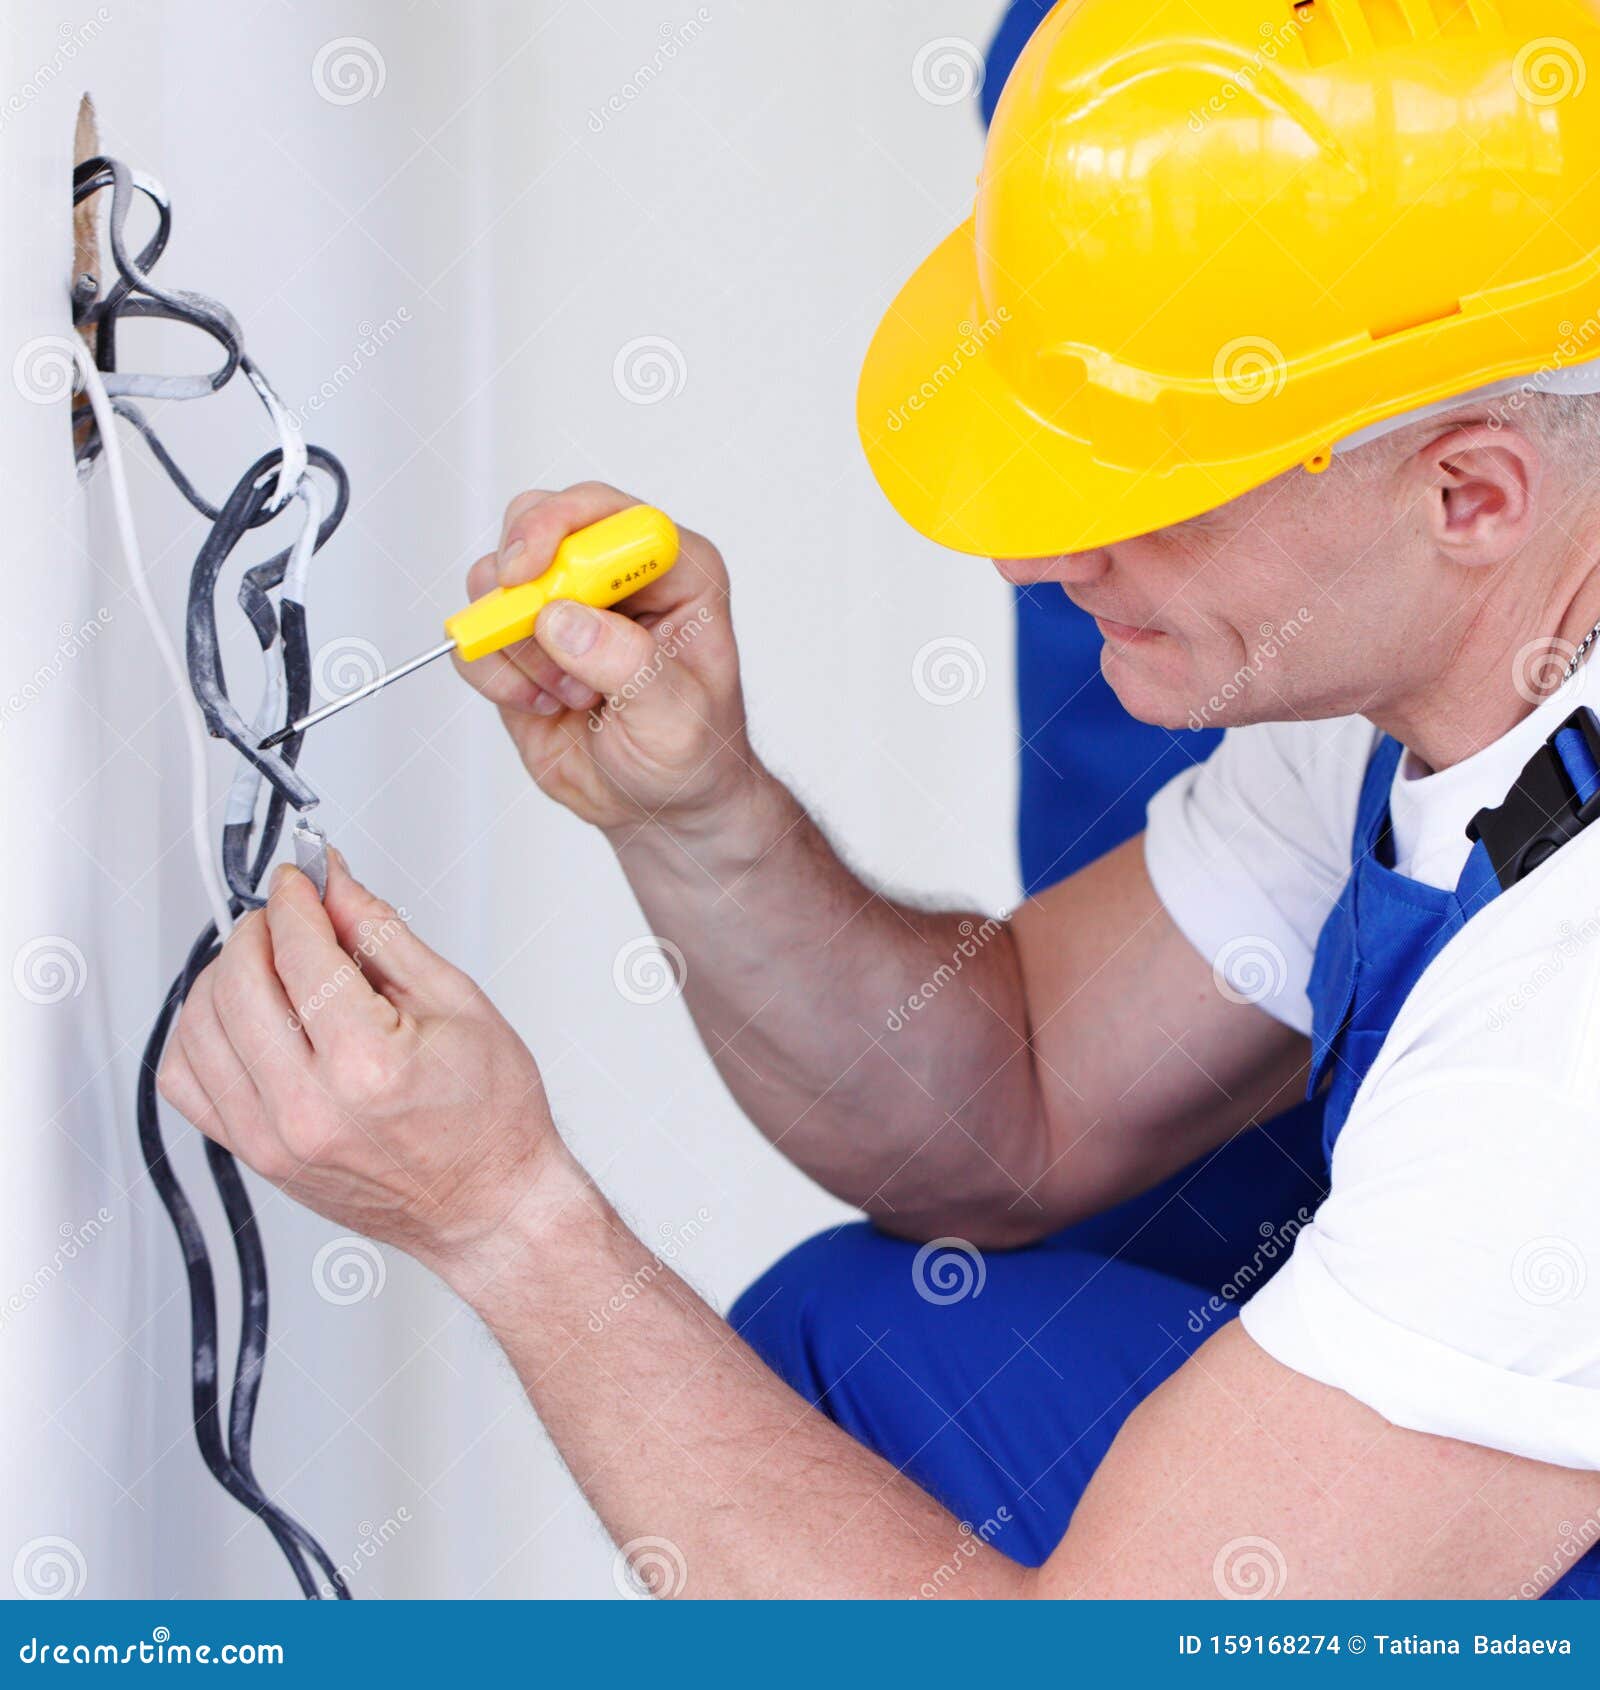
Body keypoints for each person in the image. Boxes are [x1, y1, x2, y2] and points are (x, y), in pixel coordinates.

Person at [158, 3, 1600, 1597]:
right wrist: (697, 812)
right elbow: (1024, 1098)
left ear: (1471, 492)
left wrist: (507, 1220)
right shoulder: (1444, 673)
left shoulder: (1565, 1036)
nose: (1034, 561)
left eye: (1138, 484)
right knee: (862, 1350)